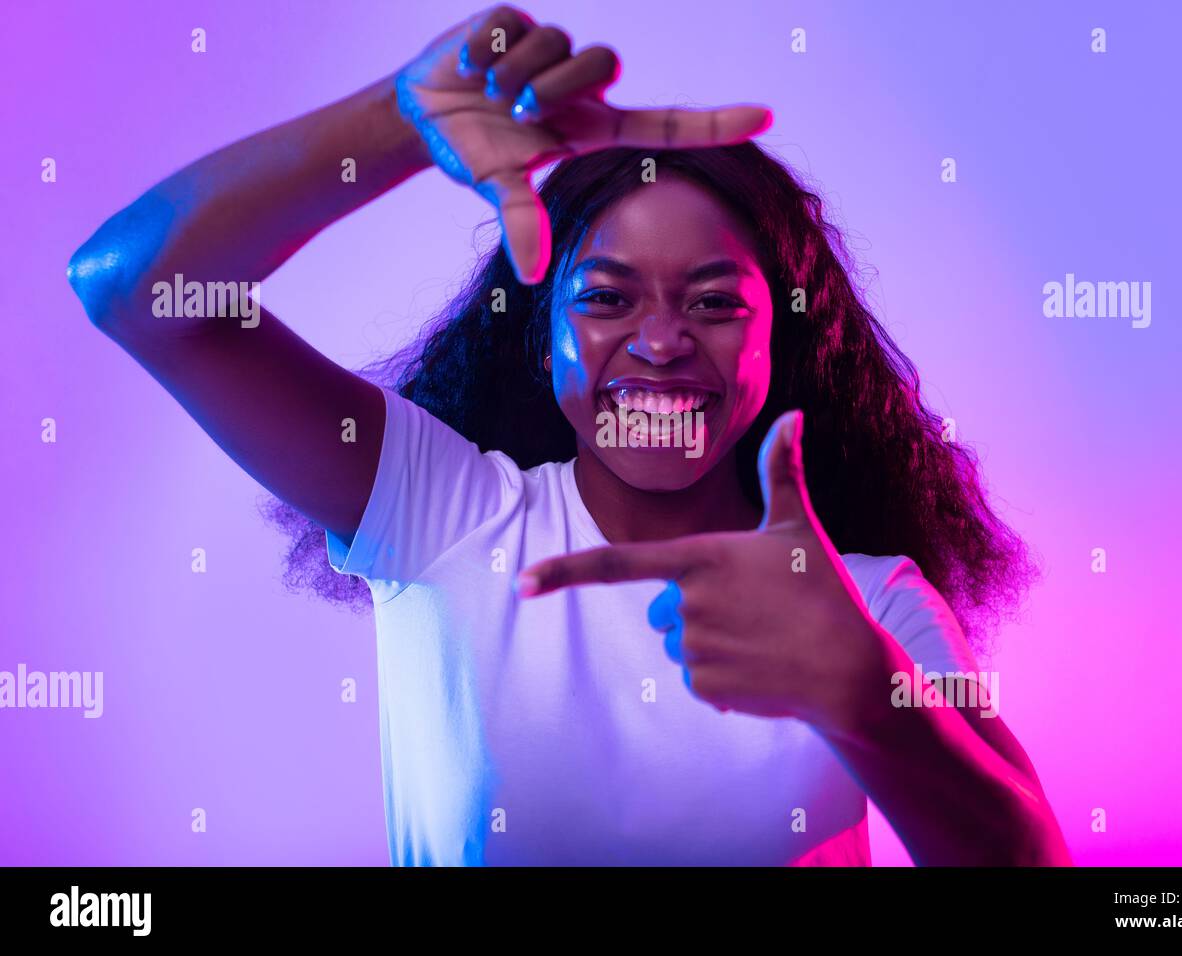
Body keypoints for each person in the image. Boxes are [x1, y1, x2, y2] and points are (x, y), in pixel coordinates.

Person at [68, 5, 1070, 866]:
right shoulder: (441, 514)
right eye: (606, 297)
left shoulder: (870, 598)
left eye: (715, 302)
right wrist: (397, 124)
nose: (663, 340)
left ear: (782, 334)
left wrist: (869, 693)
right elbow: (133, 288)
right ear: (541, 333)